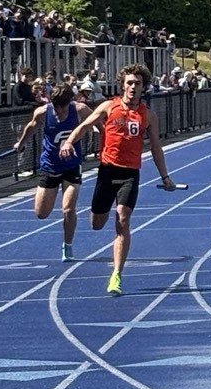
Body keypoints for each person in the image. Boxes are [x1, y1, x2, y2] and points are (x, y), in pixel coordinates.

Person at [60, 63, 176, 294]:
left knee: (122, 219)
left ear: (144, 87)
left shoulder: (148, 115)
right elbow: (84, 126)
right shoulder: (108, 107)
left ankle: (116, 275)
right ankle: (97, 218)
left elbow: (155, 147)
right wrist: (69, 142)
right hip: (107, 171)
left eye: (138, 83)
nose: (133, 87)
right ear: (122, 85)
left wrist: (165, 176)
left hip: (130, 174)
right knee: (96, 224)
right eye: (130, 83)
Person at [13, 84, 93, 260]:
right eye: (58, 107)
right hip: (50, 165)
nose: (61, 111)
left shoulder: (80, 109)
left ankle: (68, 246)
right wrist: (22, 142)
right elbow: (32, 126)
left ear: (70, 102)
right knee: (41, 213)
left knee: (68, 208)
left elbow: (98, 123)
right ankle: (51, 194)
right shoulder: (43, 112)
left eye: (64, 107)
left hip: (72, 165)